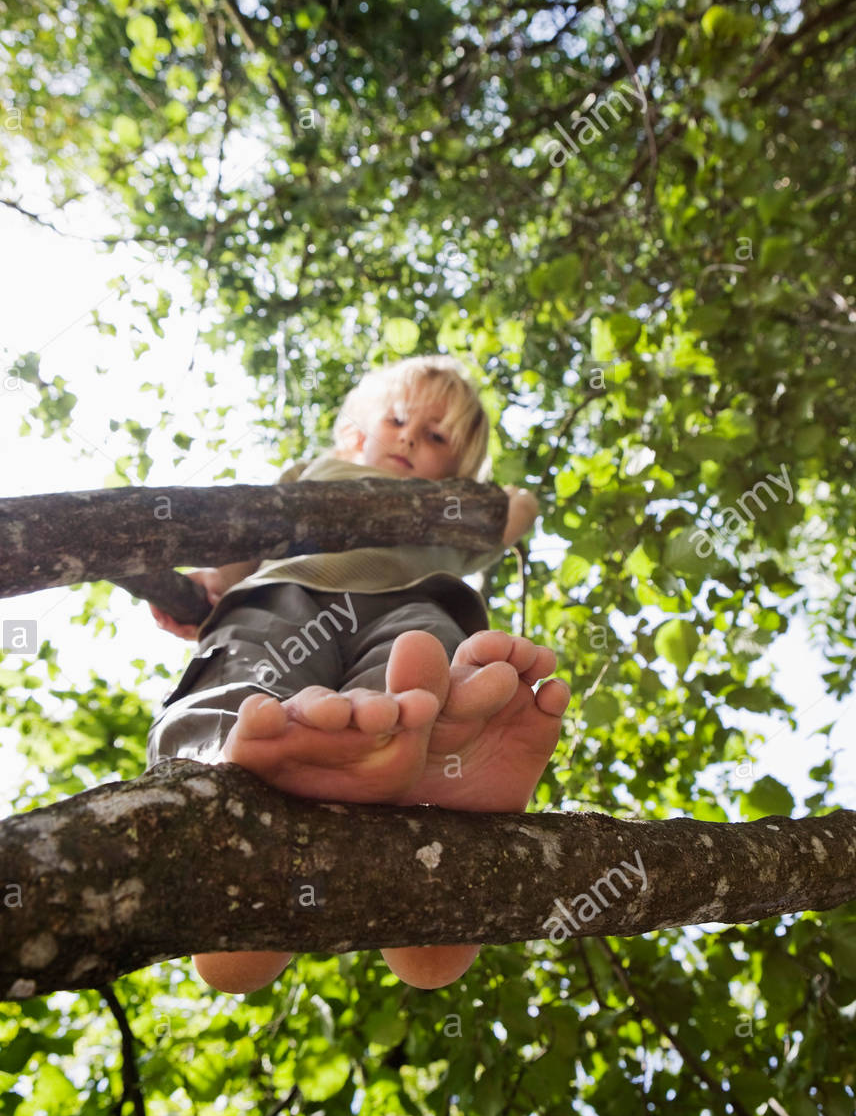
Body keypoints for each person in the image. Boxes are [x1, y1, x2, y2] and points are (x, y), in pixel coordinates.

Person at [148, 355, 570, 993]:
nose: (409, 438)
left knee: (411, 696)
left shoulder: (449, 511)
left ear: (456, 470)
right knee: (246, 689)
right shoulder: (314, 473)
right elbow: (247, 536)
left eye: (436, 437)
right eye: (398, 419)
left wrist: (487, 496)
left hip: (413, 607)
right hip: (285, 594)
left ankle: (424, 805)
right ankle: (223, 780)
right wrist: (212, 582)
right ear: (353, 435)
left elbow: (515, 510)